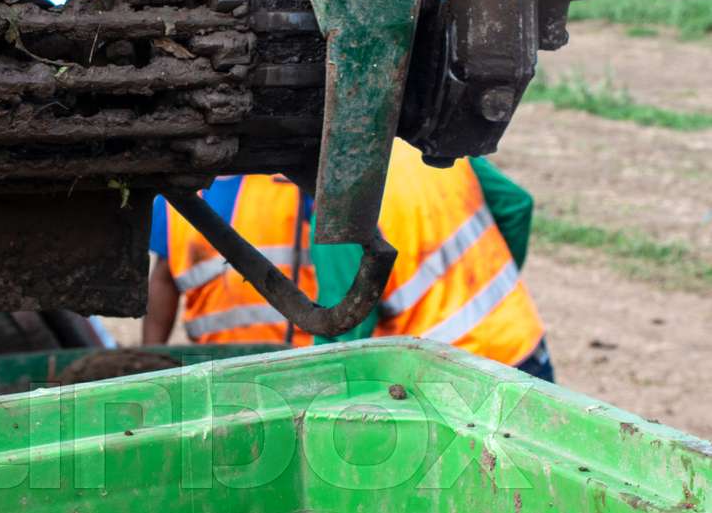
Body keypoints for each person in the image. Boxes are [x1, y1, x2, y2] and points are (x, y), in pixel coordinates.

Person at [312, 141, 553, 379]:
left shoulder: (341, 210)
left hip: (454, 376)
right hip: (518, 340)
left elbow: (343, 331)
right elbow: (515, 205)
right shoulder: (430, 146)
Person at [144, 173, 315, 347]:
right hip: (210, 360)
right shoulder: (171, 200)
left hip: (295, 355)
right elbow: (164, 280)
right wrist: (147, 361)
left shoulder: (293, 183)